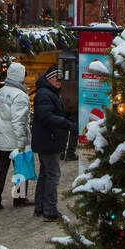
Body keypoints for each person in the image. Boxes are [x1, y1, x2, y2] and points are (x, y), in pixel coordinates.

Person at [32, 66, 76, 222]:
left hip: (47, 140)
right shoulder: (45, 94)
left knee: (45, 174)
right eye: (56, 78)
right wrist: (66, 123)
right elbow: (46, 117)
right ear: (49, 78)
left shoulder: (49, 92)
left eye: (60, 78)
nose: (59, 81)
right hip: (48, 140)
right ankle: (50, 209)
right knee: (53, 175)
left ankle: (40, 206)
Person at [0, 62, 32, 212]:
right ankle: (19, 199)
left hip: (2, 139)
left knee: (1, 169)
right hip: (15, 141)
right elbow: (18, 120)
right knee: (20, 170)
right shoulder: (20, 95)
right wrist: (22, 141)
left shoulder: (1, 92)